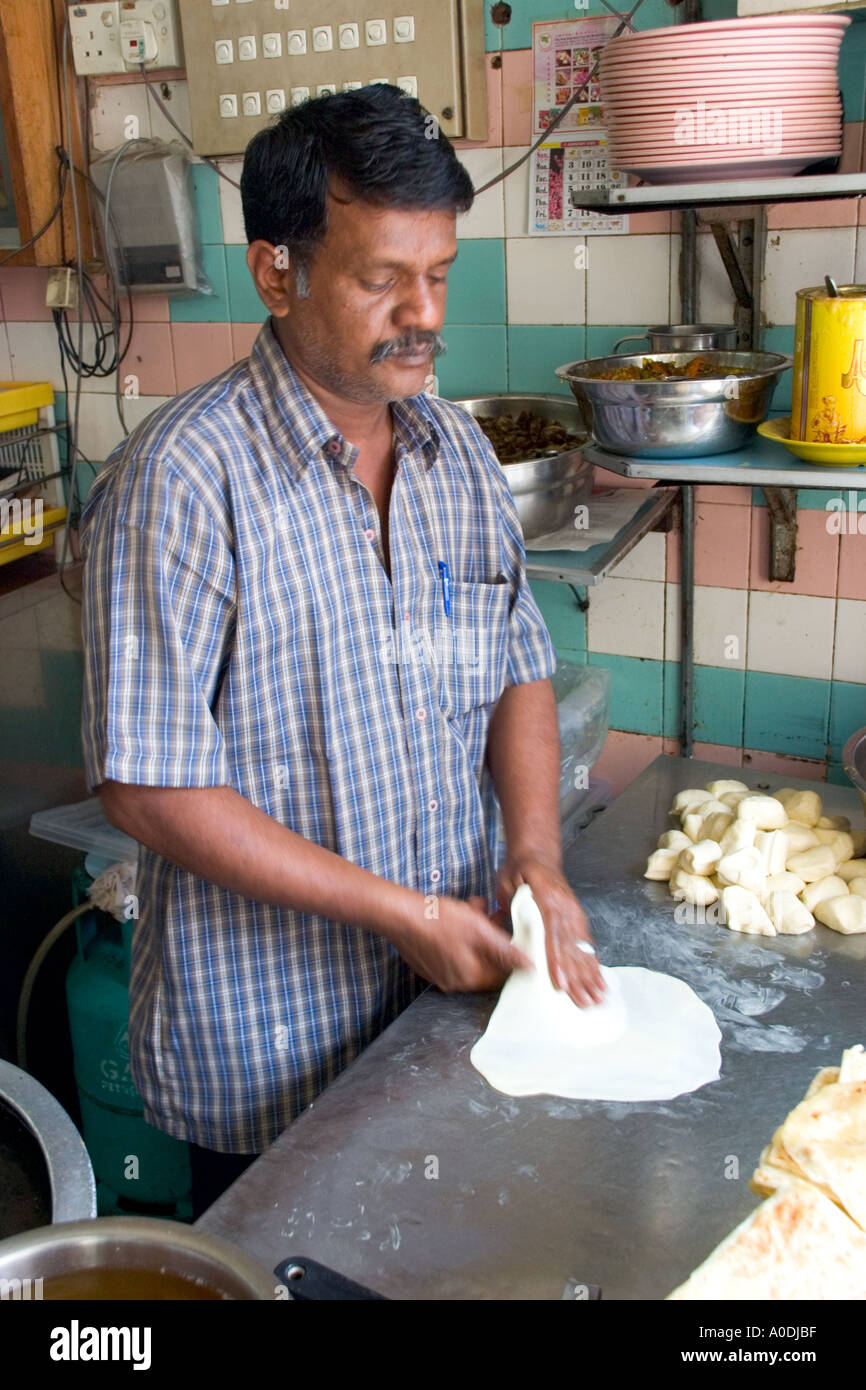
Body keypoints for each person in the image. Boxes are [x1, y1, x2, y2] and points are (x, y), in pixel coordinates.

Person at [80, 84, 603, 1219]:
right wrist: (398, 914)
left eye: (440, 273)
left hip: (448, 1009)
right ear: (277, 272)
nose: (423, 313)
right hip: (274, 1042)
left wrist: (534, 852)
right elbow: (147, 784)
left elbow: (516, 664)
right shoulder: (184, 478)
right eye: (380, 279)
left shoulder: (456, 451)